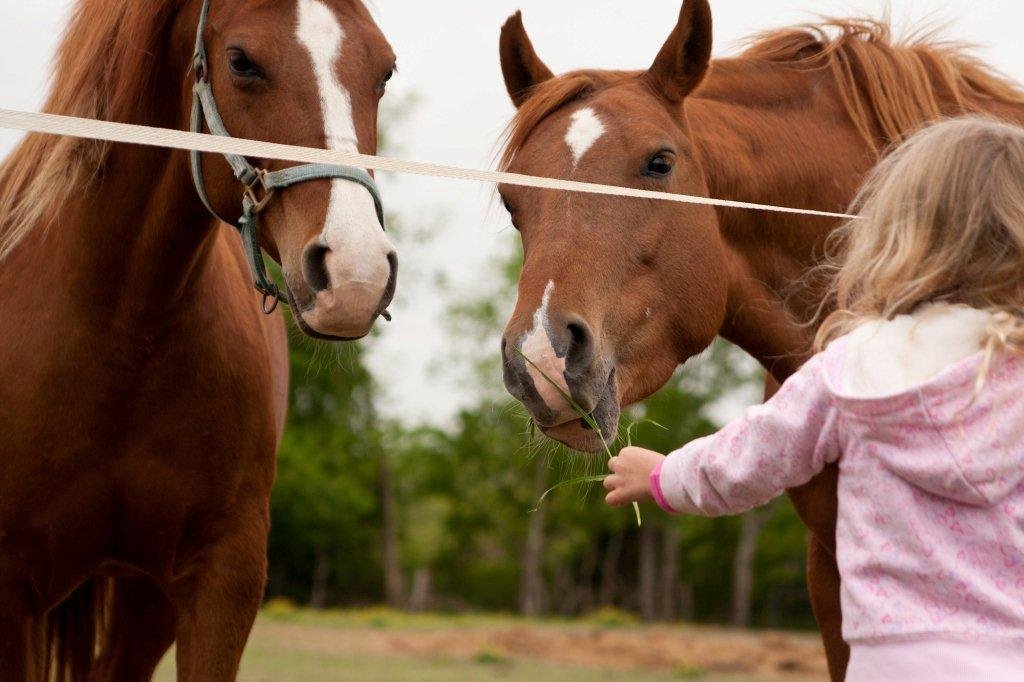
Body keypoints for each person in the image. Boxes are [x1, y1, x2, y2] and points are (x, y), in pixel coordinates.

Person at [603, 117, 1024, 681]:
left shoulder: (850, 368)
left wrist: (663, 476)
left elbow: (749, 457)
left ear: (898, 232)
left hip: (891, 661)